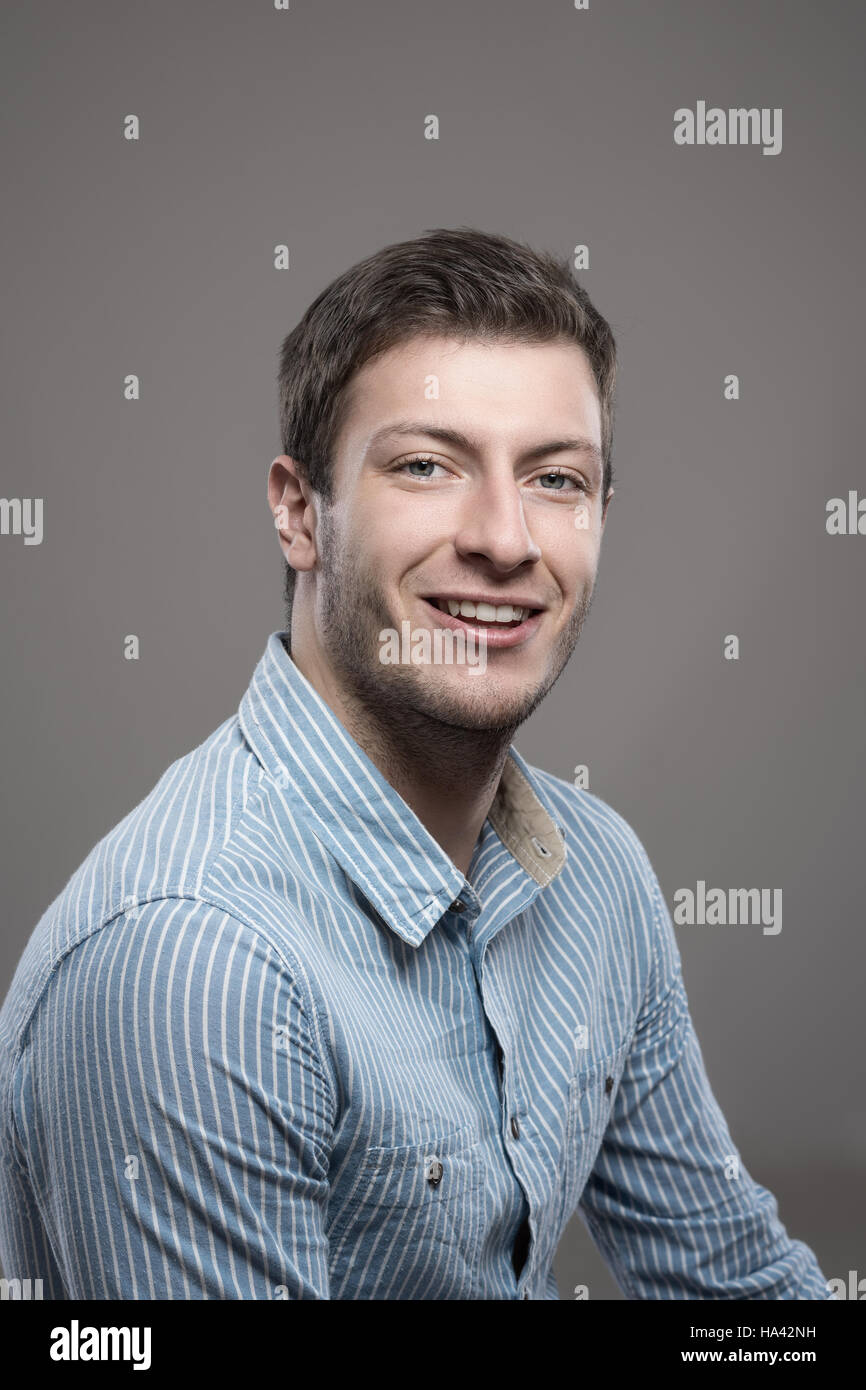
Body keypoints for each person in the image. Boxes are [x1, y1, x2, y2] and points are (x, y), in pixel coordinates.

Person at [0, 227, 833, 1299]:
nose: (502, 536)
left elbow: (736, 1291)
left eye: (554, 478)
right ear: (300, 511)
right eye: (426, 465)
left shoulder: (599, 879)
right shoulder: (194, 961)